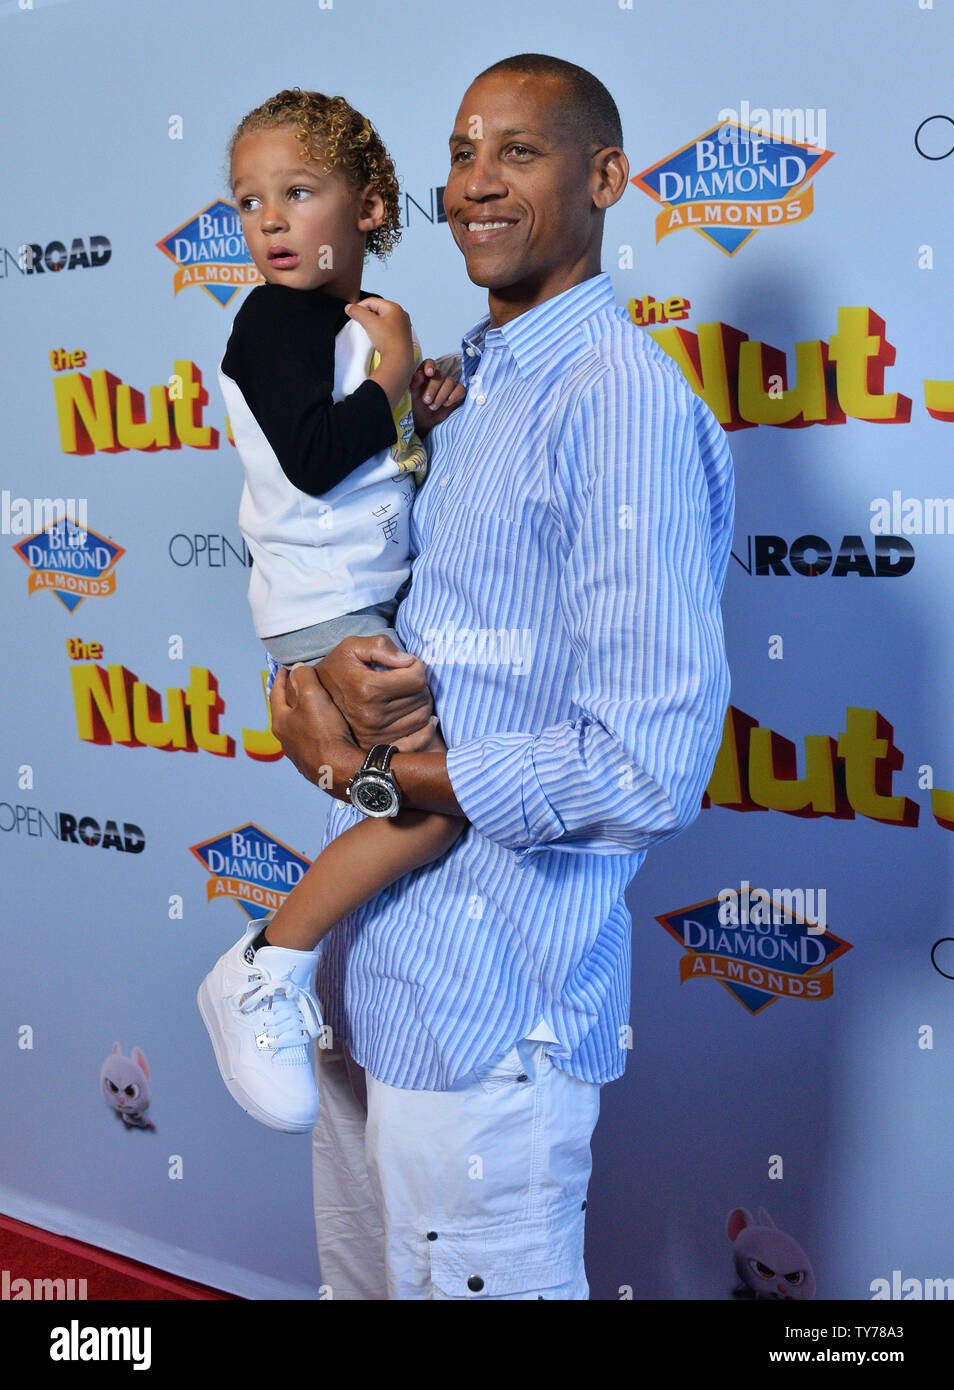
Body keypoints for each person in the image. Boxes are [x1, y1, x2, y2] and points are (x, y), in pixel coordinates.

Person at [271, 54, 735, 1300]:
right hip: (373, 993)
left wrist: (369, 776)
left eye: (517, 152)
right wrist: (331, 697)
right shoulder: (460, 387)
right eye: (465, 150)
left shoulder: (619, 398)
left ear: (606, 178)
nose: (476, 181)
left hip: (490, 1019)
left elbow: (643, 763)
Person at [198, 88, 467, 1135]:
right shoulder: (273, 319)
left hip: (357, 602)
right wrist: (394, 383)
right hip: (327, 615)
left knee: (404, 807)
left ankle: (290, 973)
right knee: (429, 809)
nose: (267, 220)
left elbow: (376, 473)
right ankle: (263, 968)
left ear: (370, 204)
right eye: (247, 202)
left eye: (296, 193)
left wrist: (417, 414)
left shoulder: (349, 323)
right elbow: (316, 463)